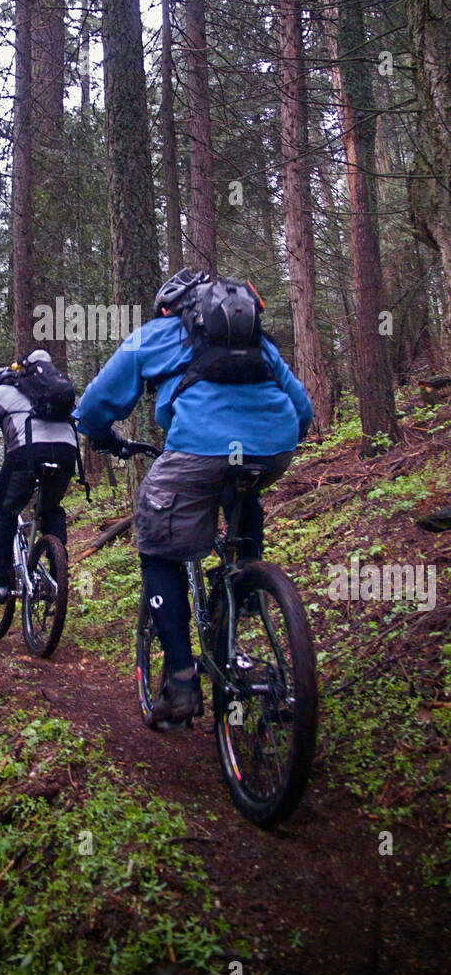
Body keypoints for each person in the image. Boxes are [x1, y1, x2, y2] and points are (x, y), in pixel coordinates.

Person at [75, 270, 313, 725]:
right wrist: (274, 440)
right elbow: (301, 407)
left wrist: (100, 434)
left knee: (157, 548)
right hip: (275, 447)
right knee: (240, 488)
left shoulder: (157, 333)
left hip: (200, 450)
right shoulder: (255, 340)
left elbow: (94, 404)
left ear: (169, 308)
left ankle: (182, 682)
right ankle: (244, 586)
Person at [0, 350, 77, 604]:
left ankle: (0, 583)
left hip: (27, 454)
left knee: (4, 513)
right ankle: (58, 570)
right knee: (51, 509)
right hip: (68, 453)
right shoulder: (52, 394)